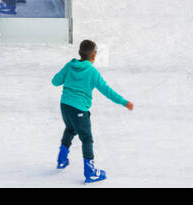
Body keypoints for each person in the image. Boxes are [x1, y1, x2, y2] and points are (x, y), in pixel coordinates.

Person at [52, 38, 133, 183]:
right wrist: (124, 102)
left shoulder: (70, 65)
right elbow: (107, 91)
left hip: (65, 106)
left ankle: (62, 157)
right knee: (86, 139)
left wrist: (68, 77)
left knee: (70, 128)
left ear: (79, 53)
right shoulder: (92, 72)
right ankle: (89, 171)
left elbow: (55, 81)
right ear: (94, 56)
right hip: (79, 109)